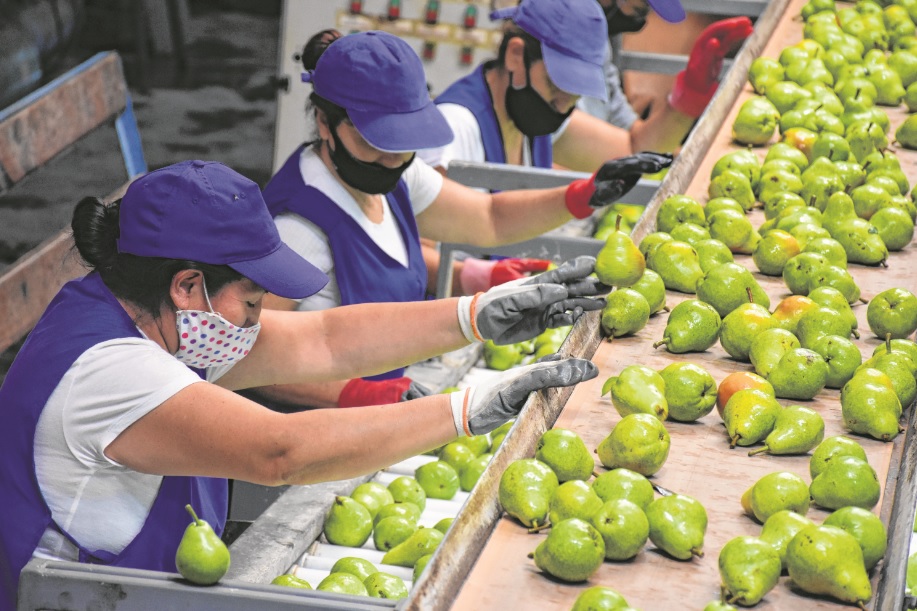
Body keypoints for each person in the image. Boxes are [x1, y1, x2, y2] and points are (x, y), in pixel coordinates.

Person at [0, 160, 603, 605]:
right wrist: (465, 411)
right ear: (187, 286)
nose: (259, 319)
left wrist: (476, 315)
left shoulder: (161, 316)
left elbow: (325, 340)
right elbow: (280, 452)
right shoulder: (109, 370)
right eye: (253, 301)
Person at [259, 29, 670, 411]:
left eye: (403, 143)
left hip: (383, 412)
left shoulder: (395, 178)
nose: (392, 159)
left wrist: (580, 196)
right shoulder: (296, 226)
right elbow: (251, 357)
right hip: (312, 427)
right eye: (376, 141)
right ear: (325, 122)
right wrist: (357, 394)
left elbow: (489, 217)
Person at [419, 0, 751, 173]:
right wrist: (472, 276)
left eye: (576, 93)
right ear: (516, 56)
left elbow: (635, 149)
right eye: (557, 84)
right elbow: (426, 252)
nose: (564, 105)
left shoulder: (534, 117)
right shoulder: (456, 129)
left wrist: (689, 96)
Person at [579, 0, 754, 147]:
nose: (638, 16)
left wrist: (690, 96)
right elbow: (629, 150)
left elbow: (635, 142)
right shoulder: (564, 93)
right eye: (639, 7)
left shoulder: (599, 45)